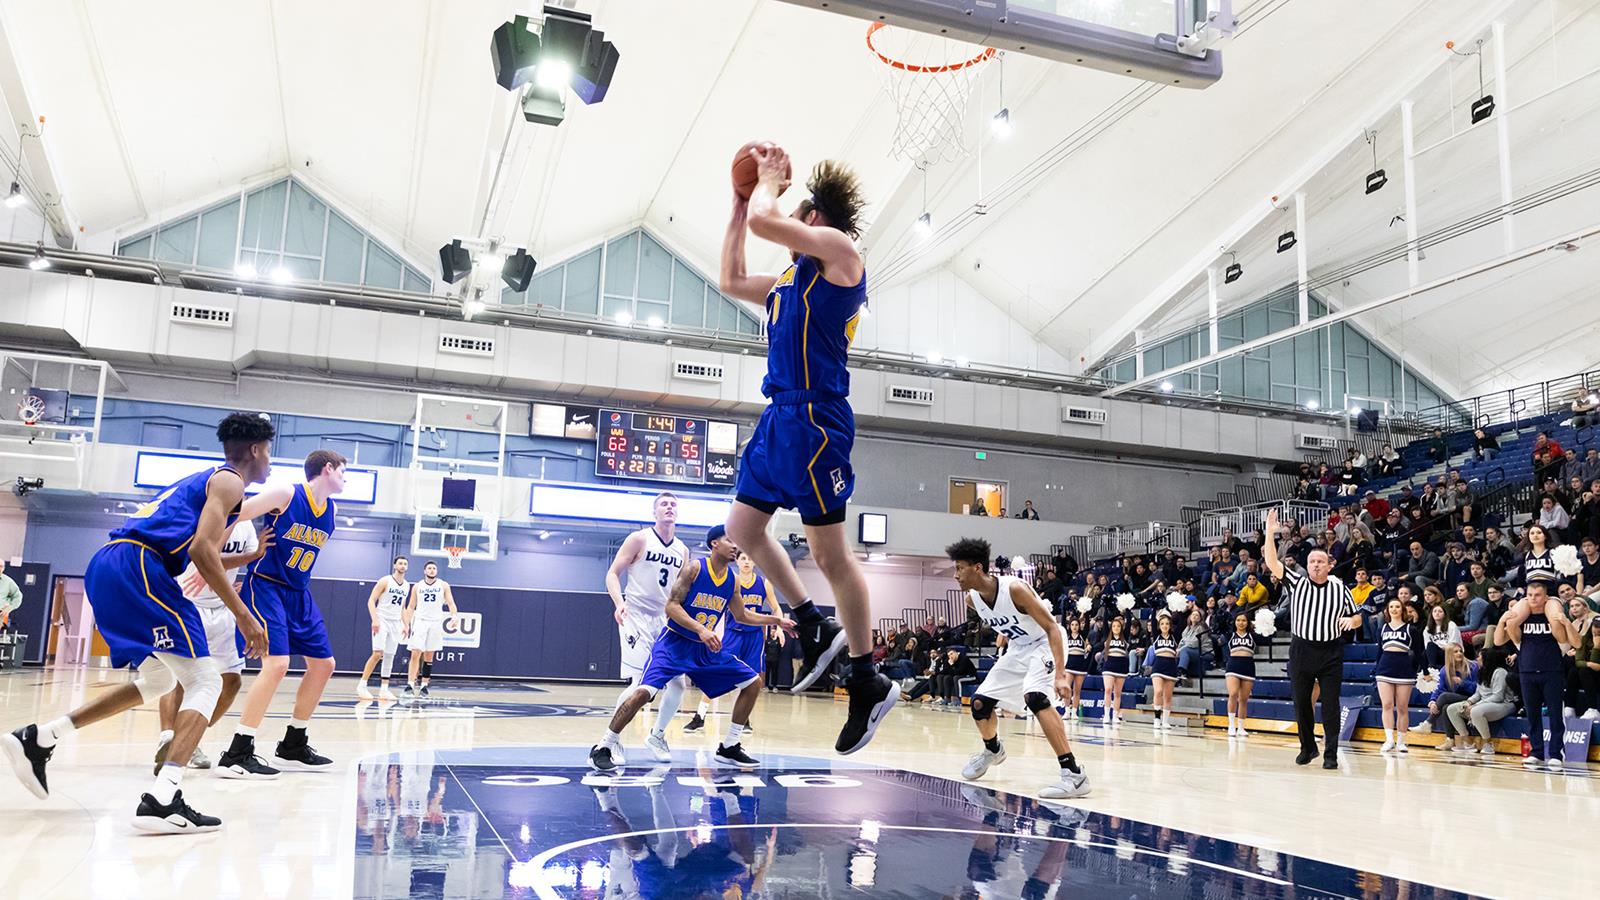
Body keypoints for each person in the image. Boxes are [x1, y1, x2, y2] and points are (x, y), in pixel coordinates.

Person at [2, 413, 273, 833]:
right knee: (206, 681)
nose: (270, 460)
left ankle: (40, 738)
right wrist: (244, 613)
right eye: (269, 451)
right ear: (256, 449)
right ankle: (164, 796)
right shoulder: (229, 480)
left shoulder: (204, 481)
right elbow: (203, 551)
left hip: (110, 565)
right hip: (139, 565)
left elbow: (205, 551)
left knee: (158, 681)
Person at [719, 145, 896, 755]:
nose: (789, 223)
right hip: (778, 418)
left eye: (800, 214)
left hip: (818, 419)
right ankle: (815, 625)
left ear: (817, 218)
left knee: (831, 553)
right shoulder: (786, 282)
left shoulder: (844, 257)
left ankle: (868, 679)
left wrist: (763, 188)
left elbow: (772, 223)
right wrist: (740, 205)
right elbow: (730, 278)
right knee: (741, 527)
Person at [590, 526, 795, 771]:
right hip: (674, 644)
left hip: (703, 650)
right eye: (729, 540)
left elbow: (741, 615)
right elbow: (672, 607)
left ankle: (729, 746)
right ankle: (604, 746)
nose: (735, 546)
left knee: (753, 682)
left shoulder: (733, 580)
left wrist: (776, 620)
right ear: (714, 544)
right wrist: (701, 629)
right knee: (643, 692)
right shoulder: (695, 568)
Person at [218, 449, 346, 779]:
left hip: (298, 592)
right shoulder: (286, 493)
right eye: (343, 471)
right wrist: (212, 552)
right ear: (327, 468)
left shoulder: (332, 510)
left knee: (324, 665)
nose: (345, 478)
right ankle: (238, 751)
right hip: (267, 586)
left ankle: (293, 743)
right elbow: (234, 512)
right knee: (278, 664)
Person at [946, 537, 1090, 799]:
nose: (955, 575)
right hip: (1020, 647)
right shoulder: (972, 601)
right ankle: (992, 750)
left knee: (1035, 697)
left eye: (960, 568)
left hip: (1045, 642)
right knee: (980, 703)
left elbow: (1051, 627)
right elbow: (1008, 624)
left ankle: (1074, 774)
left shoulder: (1015, 589)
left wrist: (1060, 675)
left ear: (977, 568)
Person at [154, 518, 269, 772]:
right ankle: (167, 738)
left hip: (223, 608)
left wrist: (245, 575)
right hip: (188, 603)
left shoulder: (247, 526)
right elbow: (204, 559)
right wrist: (252, 556)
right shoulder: (208, 515)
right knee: (180, 680)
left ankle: (189, 740)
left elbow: (240, 563)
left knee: (232, 681)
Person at [1263, 508, 1362, 769]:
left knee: (1330, 704)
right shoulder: (1297, 582)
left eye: (1320, 561)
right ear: (1307, 566)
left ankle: (1331, 754)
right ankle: (1308, 748)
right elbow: (1273, 563)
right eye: (1312, 562)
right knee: (1301, 702)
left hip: (1330, 651)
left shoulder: (1340, 587)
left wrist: (1351, 621)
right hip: (1302, 649)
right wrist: (1269, 534)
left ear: (1329, 565)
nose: (1315, 565)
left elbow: (1357, 617)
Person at [603, 492, 694, 738]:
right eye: (664, 504)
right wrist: (618, 602)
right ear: (654, 512)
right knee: (640, 683)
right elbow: (612, 574)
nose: (669, 507)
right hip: (636, 614)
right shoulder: (639, 539)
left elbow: (680, 592)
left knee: (677, 682)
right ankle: (610, 740)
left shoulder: (682, 550)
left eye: (673, 504)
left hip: (664, 620)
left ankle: (657, 736)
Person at [1494, 577, 1578, 770]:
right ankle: (1537, 752)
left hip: (1552, 671)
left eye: (1537, 595)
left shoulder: (1553, 617)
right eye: (1530, 595)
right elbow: (1498, 641)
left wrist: (1565, 623)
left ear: (1546, 596)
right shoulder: (1521, 619)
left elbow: (1570, 641)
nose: (1533, 598)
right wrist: (1502, 621)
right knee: (1532, 715)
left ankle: (1557, 753)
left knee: (1556, 715)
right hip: (1527, 671)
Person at [356, 555, 411, 701]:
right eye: (400, 563)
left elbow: (403, 608)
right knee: (377, 654)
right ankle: (362, 685)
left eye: (405, 564)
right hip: (382, 619)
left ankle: (384, 689)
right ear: (395, 565)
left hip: (395, 622)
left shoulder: (406, 585)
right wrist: (375, 620)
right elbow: (371, 601)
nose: (403, 566)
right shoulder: (385, 580)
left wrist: (406, 625)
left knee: (390, 656)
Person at [1373, 598, 1424, 753]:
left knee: (1402, 707)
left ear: (1402, 610)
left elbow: (1419, 651)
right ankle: (1389, 740)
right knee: (1387, 705)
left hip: (1404, 669)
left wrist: (1424, 671)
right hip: (1384, 668)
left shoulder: (1411, 629)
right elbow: (1379, 651)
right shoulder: (1382, 628)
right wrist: (1376, 668)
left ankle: (1401, 741)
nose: (1394, 609)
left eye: (1397, 607)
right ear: (1387, 610)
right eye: (1391, 607)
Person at [401, 562, 458, 699]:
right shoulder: (417, 586)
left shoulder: (443, 585)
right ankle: (410, 684)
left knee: (429, 655)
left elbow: (451, 603)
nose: (432, 570)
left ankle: (424, 686)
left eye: (434, 568)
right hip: (420, 621)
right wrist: (406, 624)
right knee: (415, 653)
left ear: (436, 571)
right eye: (429, 568)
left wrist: (454, 616)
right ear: (424, 571)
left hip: (435, 622)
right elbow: (410, 607)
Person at [1444, 648, 1516, 755]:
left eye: (1479, 657)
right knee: (1451, 709)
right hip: (1486, 703)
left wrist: (1476, 705)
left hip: (1504, 704)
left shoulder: (1500, 672)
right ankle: (1466, 742)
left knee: (1476, 711)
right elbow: (1478, 693)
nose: (1477, 659)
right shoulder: (1481, 671)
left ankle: (1488, 743)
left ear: (1487, 659)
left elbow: (1498, 696)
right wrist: (1469, 702)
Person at [1424, 644, 1478, 751]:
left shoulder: (1473, 666)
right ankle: (1450, 740)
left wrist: (1462, 683)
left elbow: (1478, 688)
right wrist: (1432, 701)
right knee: (1445, 707)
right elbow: (1439, 688)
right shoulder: (1445, 670)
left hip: (1473, 698)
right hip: (1458, 698)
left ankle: (1429, 722)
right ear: (1449, 655)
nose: (1459, 653)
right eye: (1455, 652)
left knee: (1444, 697)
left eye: (1460, 651)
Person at [1224, 612, 1258, 738]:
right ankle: (1231, 726)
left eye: (1243, 620)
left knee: (1244, 699)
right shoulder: (1230, 635)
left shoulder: (1253, 636)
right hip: (1233, 666)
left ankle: (1241, 727)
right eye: (1238, 620)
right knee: (1233, 694)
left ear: (1248, 622)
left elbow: (1268, 638)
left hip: (1248, 667)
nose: (1241, 622)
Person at [1148, 613, 1180, 729]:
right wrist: (1154, 608)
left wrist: (1178, 609)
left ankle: (1165, 721)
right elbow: (1153, 622)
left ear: (1170, 625)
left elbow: (1180, 622)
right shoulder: (1156, 636)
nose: (1165, 626)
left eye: (1167, 624)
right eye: (1162, 624)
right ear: (1159, 626)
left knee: (1168, 696)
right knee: (1158, 691)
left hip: (1171, 667)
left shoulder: (1174, 636)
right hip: (1158, 666)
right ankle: (1157, 718)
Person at [1100, 617, 1132, 727]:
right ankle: (1106, 715)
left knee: (1117, 693)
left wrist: (1127, 609)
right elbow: (1104, 623)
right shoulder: (1107, 637)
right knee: (1108, 689)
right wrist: (1107, 609)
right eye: (1114, 626)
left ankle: (1115, 715)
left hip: (1121, 668)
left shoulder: (1125, 637)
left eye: (1118, 626)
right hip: (1108, 666)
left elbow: (1128, 624)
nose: (1116, 628)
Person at [1062, 617, 1091, 721]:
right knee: (1067, 689)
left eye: (1076, 625)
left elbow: (1087, 625)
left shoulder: (1083, 635)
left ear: (1079, 626)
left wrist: (1086, 610)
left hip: (1080, 666)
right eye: (1072, 624)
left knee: (1077, 691)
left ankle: (1074, 712)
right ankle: (1066, 711)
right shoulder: (1066, 636)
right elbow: (1062, 622)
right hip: (1069, 666)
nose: (1074, 627)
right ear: (1069, 626)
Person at [1421, 600, 1462, 670]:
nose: (1437, 613)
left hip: (1450, 653)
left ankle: (1431, 669)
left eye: (1440, 611)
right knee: (1425, 652)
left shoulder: (1451, 625)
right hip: (1436, 654)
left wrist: (1439, 647)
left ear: (1444, 614)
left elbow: (1453, 644)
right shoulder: (1427, 629)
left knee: (1430, 647)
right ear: (1431, 614)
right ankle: (1429, 669)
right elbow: (1427, 646)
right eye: (1435, 611)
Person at [0, 559, 21, 630]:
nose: (0, 568)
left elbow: (18, 596)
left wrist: (10, 607)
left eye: (1, 566)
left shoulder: (8, 582)